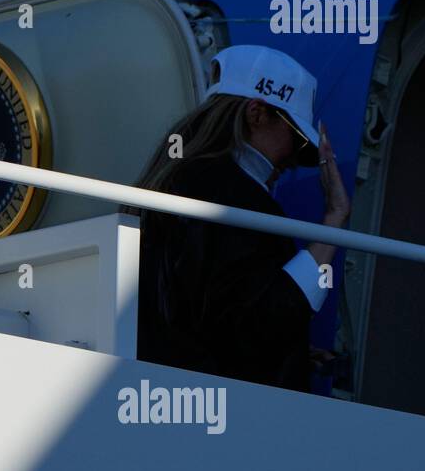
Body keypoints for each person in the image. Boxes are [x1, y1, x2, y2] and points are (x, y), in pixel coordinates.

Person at [130, 45, 351, 392]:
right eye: (295, 137)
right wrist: (335, 220)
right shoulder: (235, 198)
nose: (293, 159)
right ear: (256, 113)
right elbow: (264, 325)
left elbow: (207, 322)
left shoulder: (175, 181)